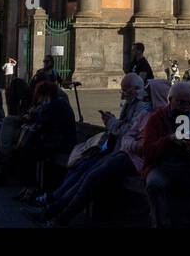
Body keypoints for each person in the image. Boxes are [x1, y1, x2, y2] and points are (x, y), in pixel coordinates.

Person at [32, 74, 151, 227]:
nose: (122, 94)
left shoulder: (143, 107)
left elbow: (127, 133)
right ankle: (53, 204)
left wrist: (112, 122)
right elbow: (124, 130)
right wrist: (114, 122)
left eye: (124, 90)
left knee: (89, 175)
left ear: (133, 90)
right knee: (81, 166)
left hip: (123, 156)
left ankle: (56, 213)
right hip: (115, 152)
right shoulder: (130, 105)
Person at [141, 80, 190, 228]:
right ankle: (162, 223)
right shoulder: (157, 119)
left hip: (187, 167)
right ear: (170, 100)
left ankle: (189, 222)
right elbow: (148, 151)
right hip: (161, 166)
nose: (184, 107)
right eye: (180, 102)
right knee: (154, 184)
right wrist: (168, 140)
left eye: (188, 103)